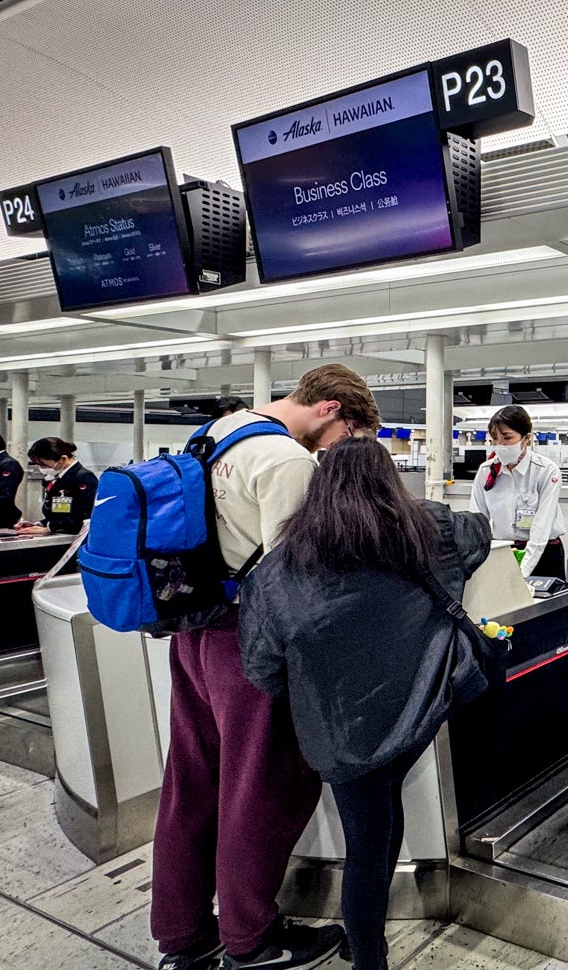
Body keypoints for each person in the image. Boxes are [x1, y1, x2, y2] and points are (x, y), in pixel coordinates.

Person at [150, 364, 381, 970]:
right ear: (330, 409)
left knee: (191, 782)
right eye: (346, 440)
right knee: (259, 788)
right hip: (248, 646)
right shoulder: (287, 461)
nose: (338, 456)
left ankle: (182, 934)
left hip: (193, 631)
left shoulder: (220, 430)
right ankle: (251, 941)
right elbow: (294, 580)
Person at [239, 437, 492, 970]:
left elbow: (261, 665)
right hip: (417, 709)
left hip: (340, 732)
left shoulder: (278, 570)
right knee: (384, 815)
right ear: (389, 479)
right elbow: (481, 535)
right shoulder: (432, 531)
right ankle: (365, 948)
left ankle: (366, 952)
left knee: (367, 837)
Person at [469, 405, 566, 578]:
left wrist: (522, 571)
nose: (499, 445)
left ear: (527, 438)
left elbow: (541, 528)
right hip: (502, 552)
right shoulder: (486, 471)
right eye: (494, 438)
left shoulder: (546, 471)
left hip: (543, 553)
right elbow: (476, 523)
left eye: (506, 438)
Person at [14, 437, 98, 535]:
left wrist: (50, 528)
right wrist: (40, 524)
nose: (42, 469)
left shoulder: (84, 477)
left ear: (63, 459)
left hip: (75, 537)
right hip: (60, 534)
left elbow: (85, 516)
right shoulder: (57, 478)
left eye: (44, 465)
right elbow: (57, 515)